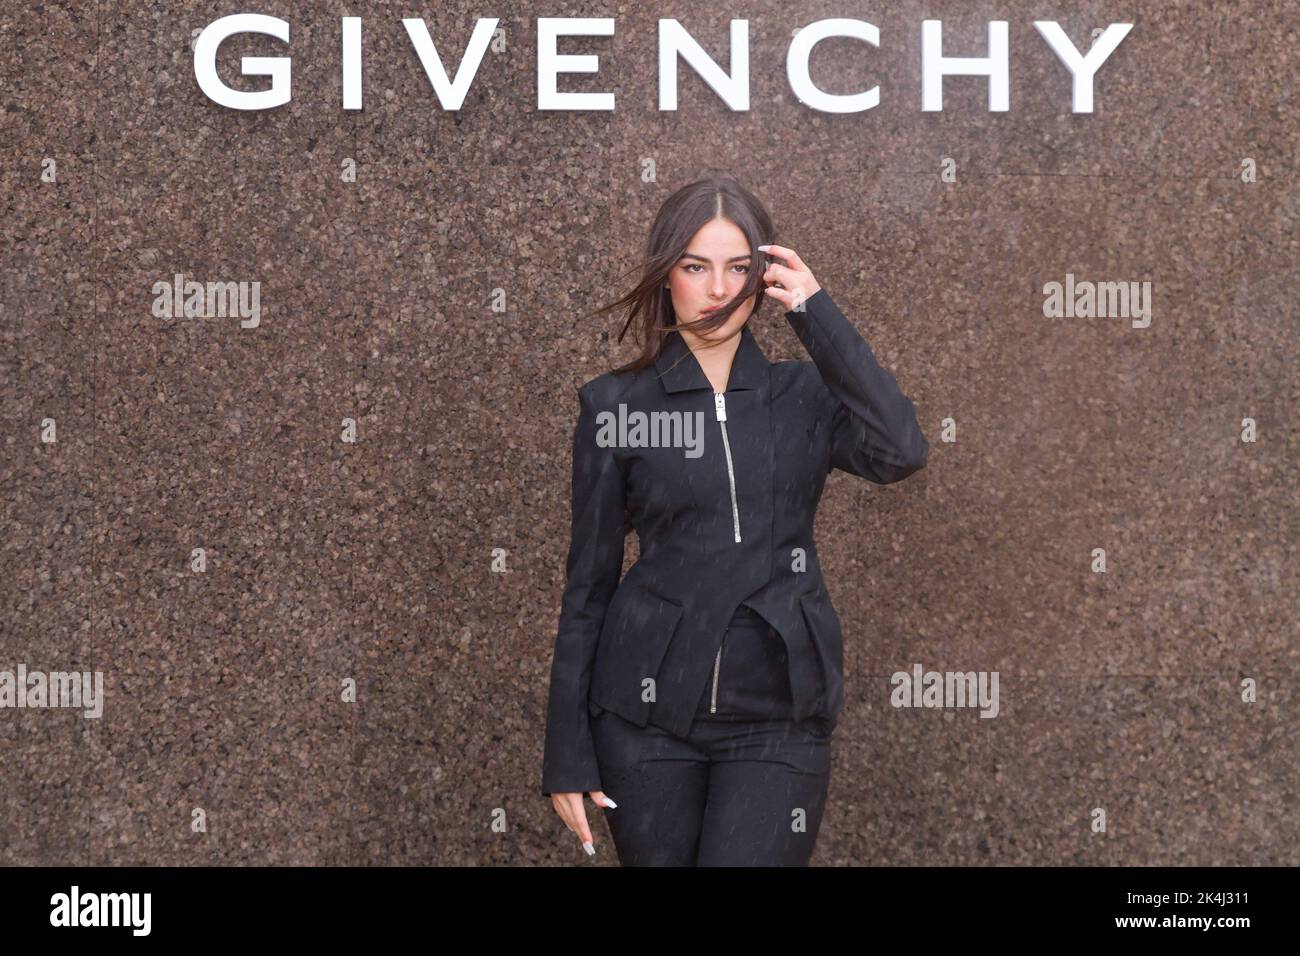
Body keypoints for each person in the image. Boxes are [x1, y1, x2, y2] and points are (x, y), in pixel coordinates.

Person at [541, 172, 929, 865]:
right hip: (644, 722)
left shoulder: (805, 394)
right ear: (667, 275)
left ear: (764, 276)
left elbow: (900, 450)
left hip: (778, 721)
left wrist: (817, 314)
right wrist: (566, 752)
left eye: (738, 268)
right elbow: (589, 586)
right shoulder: (616, 407)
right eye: (696, 266)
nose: (718, 289)